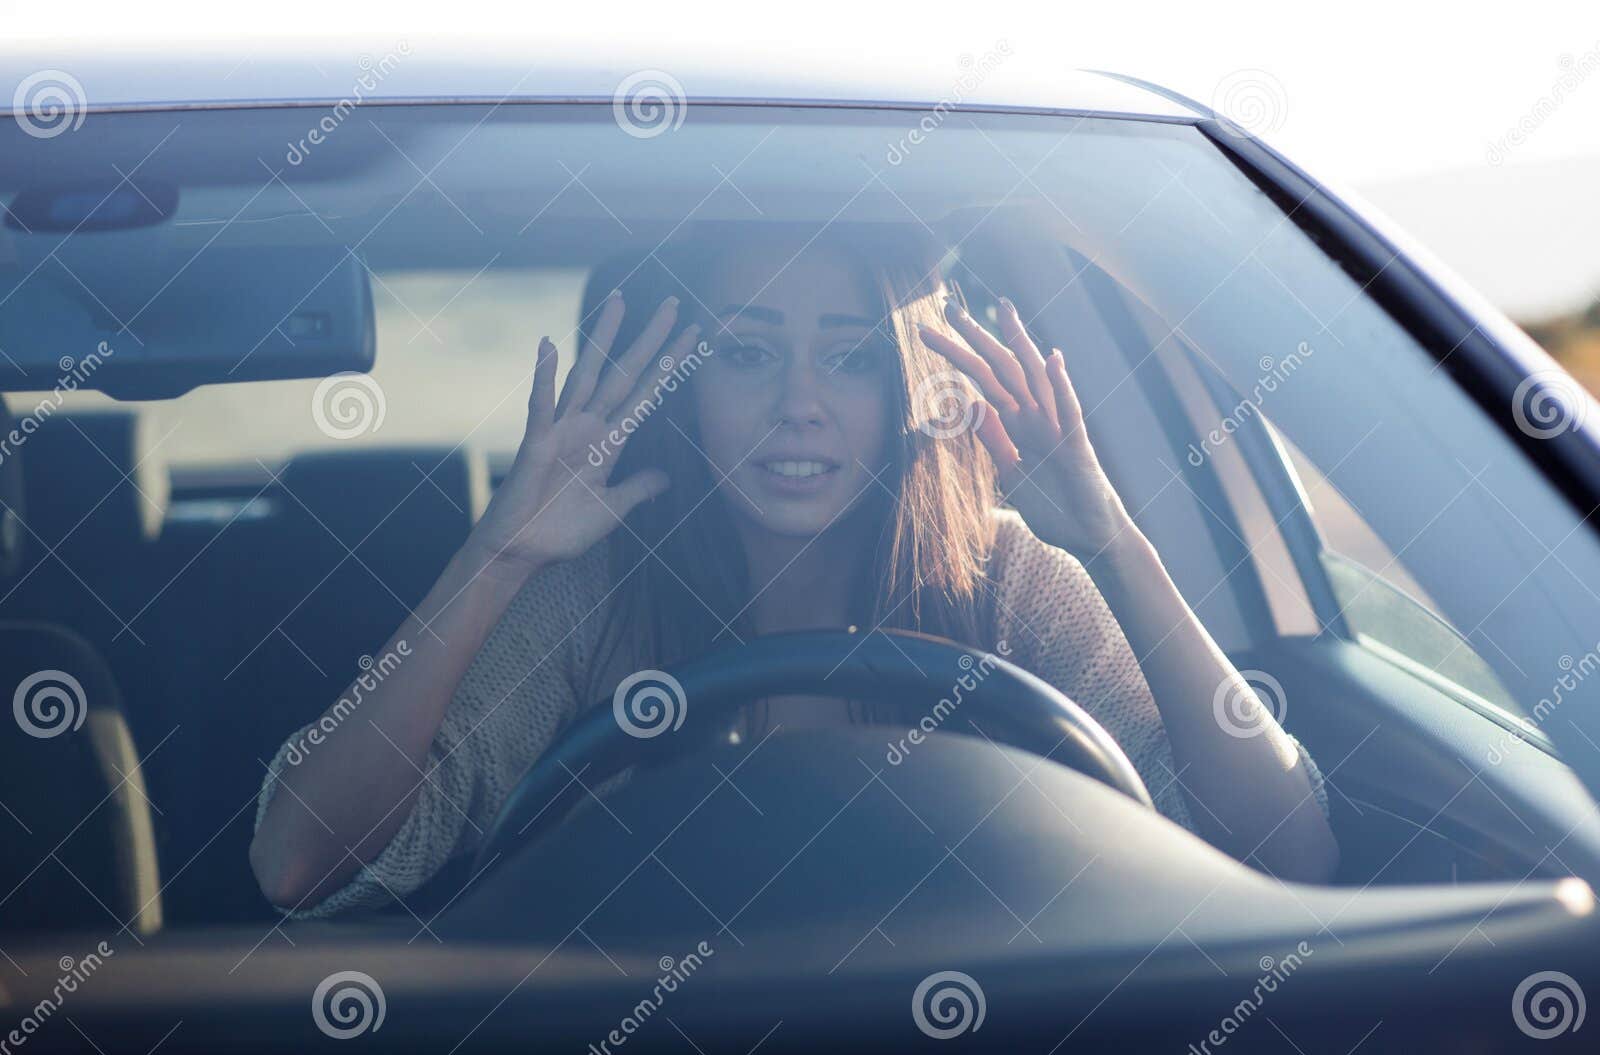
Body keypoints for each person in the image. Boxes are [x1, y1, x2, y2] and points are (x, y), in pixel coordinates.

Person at [250, 224, 1337, 918]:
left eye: (854, 356)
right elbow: (302, 862)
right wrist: (498, 553)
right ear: (682, 387)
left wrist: (1113, 538)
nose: (800, 403)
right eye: (748, 351)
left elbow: (1287, 849)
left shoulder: (1005, 579)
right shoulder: (595, 595)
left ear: (909, 388)